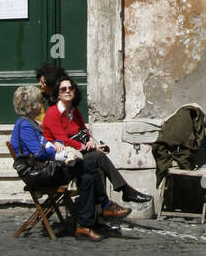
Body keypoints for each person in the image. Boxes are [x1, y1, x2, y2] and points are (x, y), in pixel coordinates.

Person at [10, 84, 128, 241]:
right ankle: (105, 206)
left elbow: (49, 142)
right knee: (92, 163)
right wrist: (57, 151)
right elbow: (39, 153)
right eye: (39, 101)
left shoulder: (32, 124)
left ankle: (84, 226)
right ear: (29, 106)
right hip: (41, 173)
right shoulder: (24, 125)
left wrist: (57, 144)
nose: (42, 104)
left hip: (49, 169)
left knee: (88, 177)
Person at [42, 76, 151, 205]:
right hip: (61, 159)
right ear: (58, 94)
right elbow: (63, 140)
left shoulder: (75, 112)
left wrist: (91, 141)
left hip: (76, 154)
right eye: (63, 89)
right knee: (98, 157)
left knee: (98, 167)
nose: (67, 91)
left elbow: (84, 130)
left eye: (70, 88)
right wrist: (85, 147)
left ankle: (100, 214)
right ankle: (125, 191)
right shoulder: (52, 113)